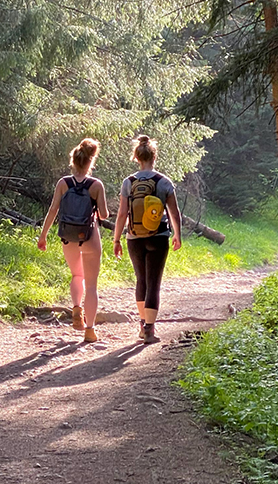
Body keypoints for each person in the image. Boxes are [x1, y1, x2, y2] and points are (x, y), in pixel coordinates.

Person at [38, 138, 110, 343]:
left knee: (77, 275)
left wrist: (43, 235)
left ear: (74, 161)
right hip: (90, 236)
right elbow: (103, 214)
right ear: (90, 162)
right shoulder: (96, 185)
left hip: (68, 236)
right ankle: (90, 330)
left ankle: (77, 309)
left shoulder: (63, 183)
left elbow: (53, 210)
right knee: (92, 285)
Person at [112, 135, 182, 344]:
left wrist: (116, 240)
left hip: (134, 238)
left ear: (136, 158)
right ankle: (150, 330)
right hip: (158, 237)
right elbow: (174, 213)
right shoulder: (164, 182)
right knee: (154, 283)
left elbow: (122, 214)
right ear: (154, 156)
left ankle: (142, 325)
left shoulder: (128, 182)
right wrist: (177, 235)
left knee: (141, 280)